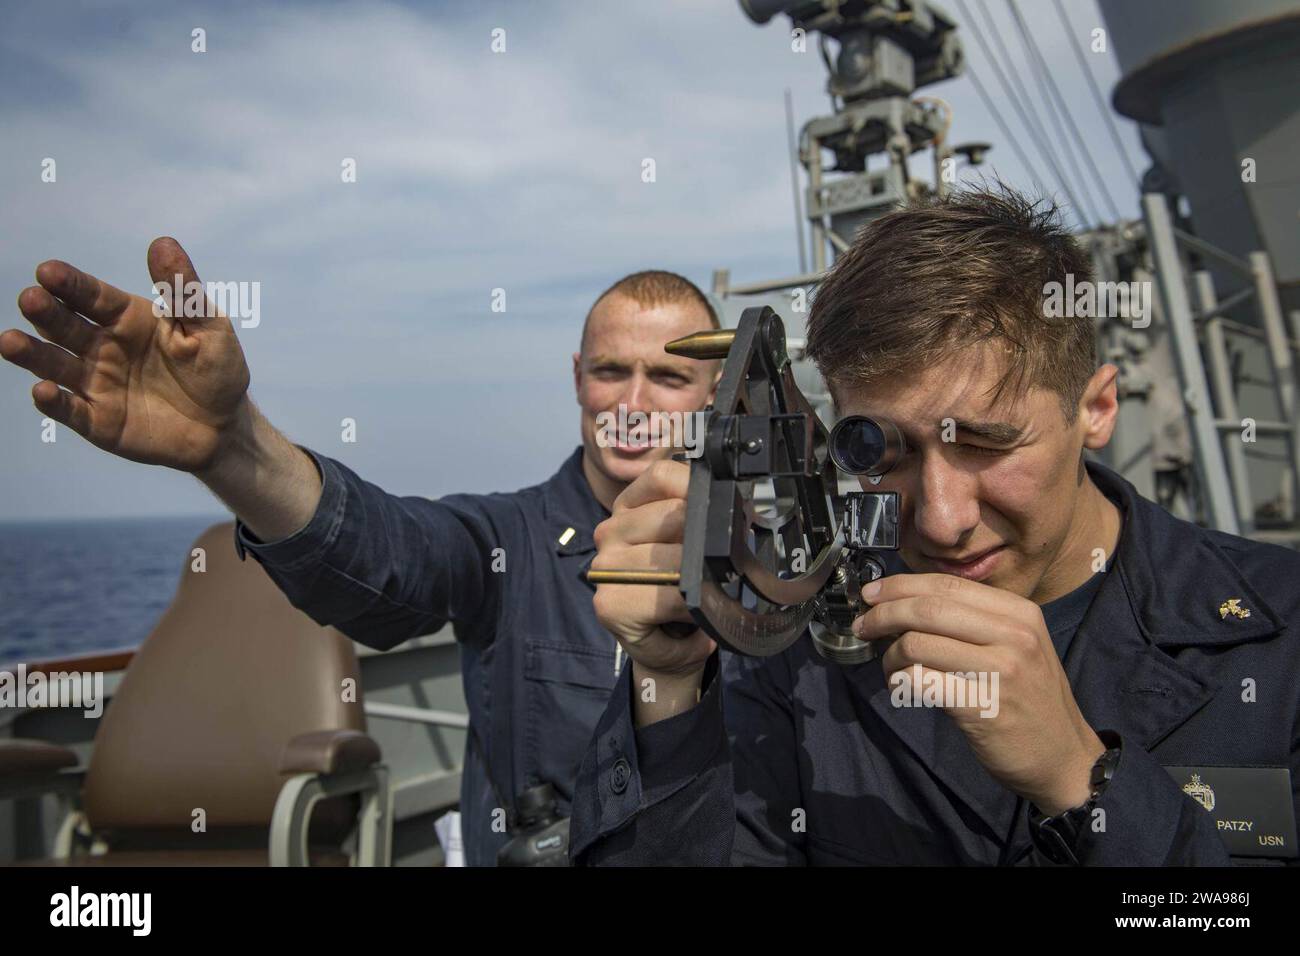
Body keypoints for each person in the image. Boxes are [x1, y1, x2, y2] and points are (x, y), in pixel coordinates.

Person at [572, 186, 1300, 866]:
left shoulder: (1280, 639)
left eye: (986, 443)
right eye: (879, 450)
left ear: (1096, 409)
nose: (943, 521)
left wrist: (1085, 783)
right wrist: (668, 688)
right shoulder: (798, 657)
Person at [0, 240, 719, 865]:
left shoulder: (760, 573)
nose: (633, 403)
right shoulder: (506, 544)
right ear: (576, 377)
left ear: (714, 394)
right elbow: (394, 554)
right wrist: (233, 450)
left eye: (668, 377)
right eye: (610, 371)